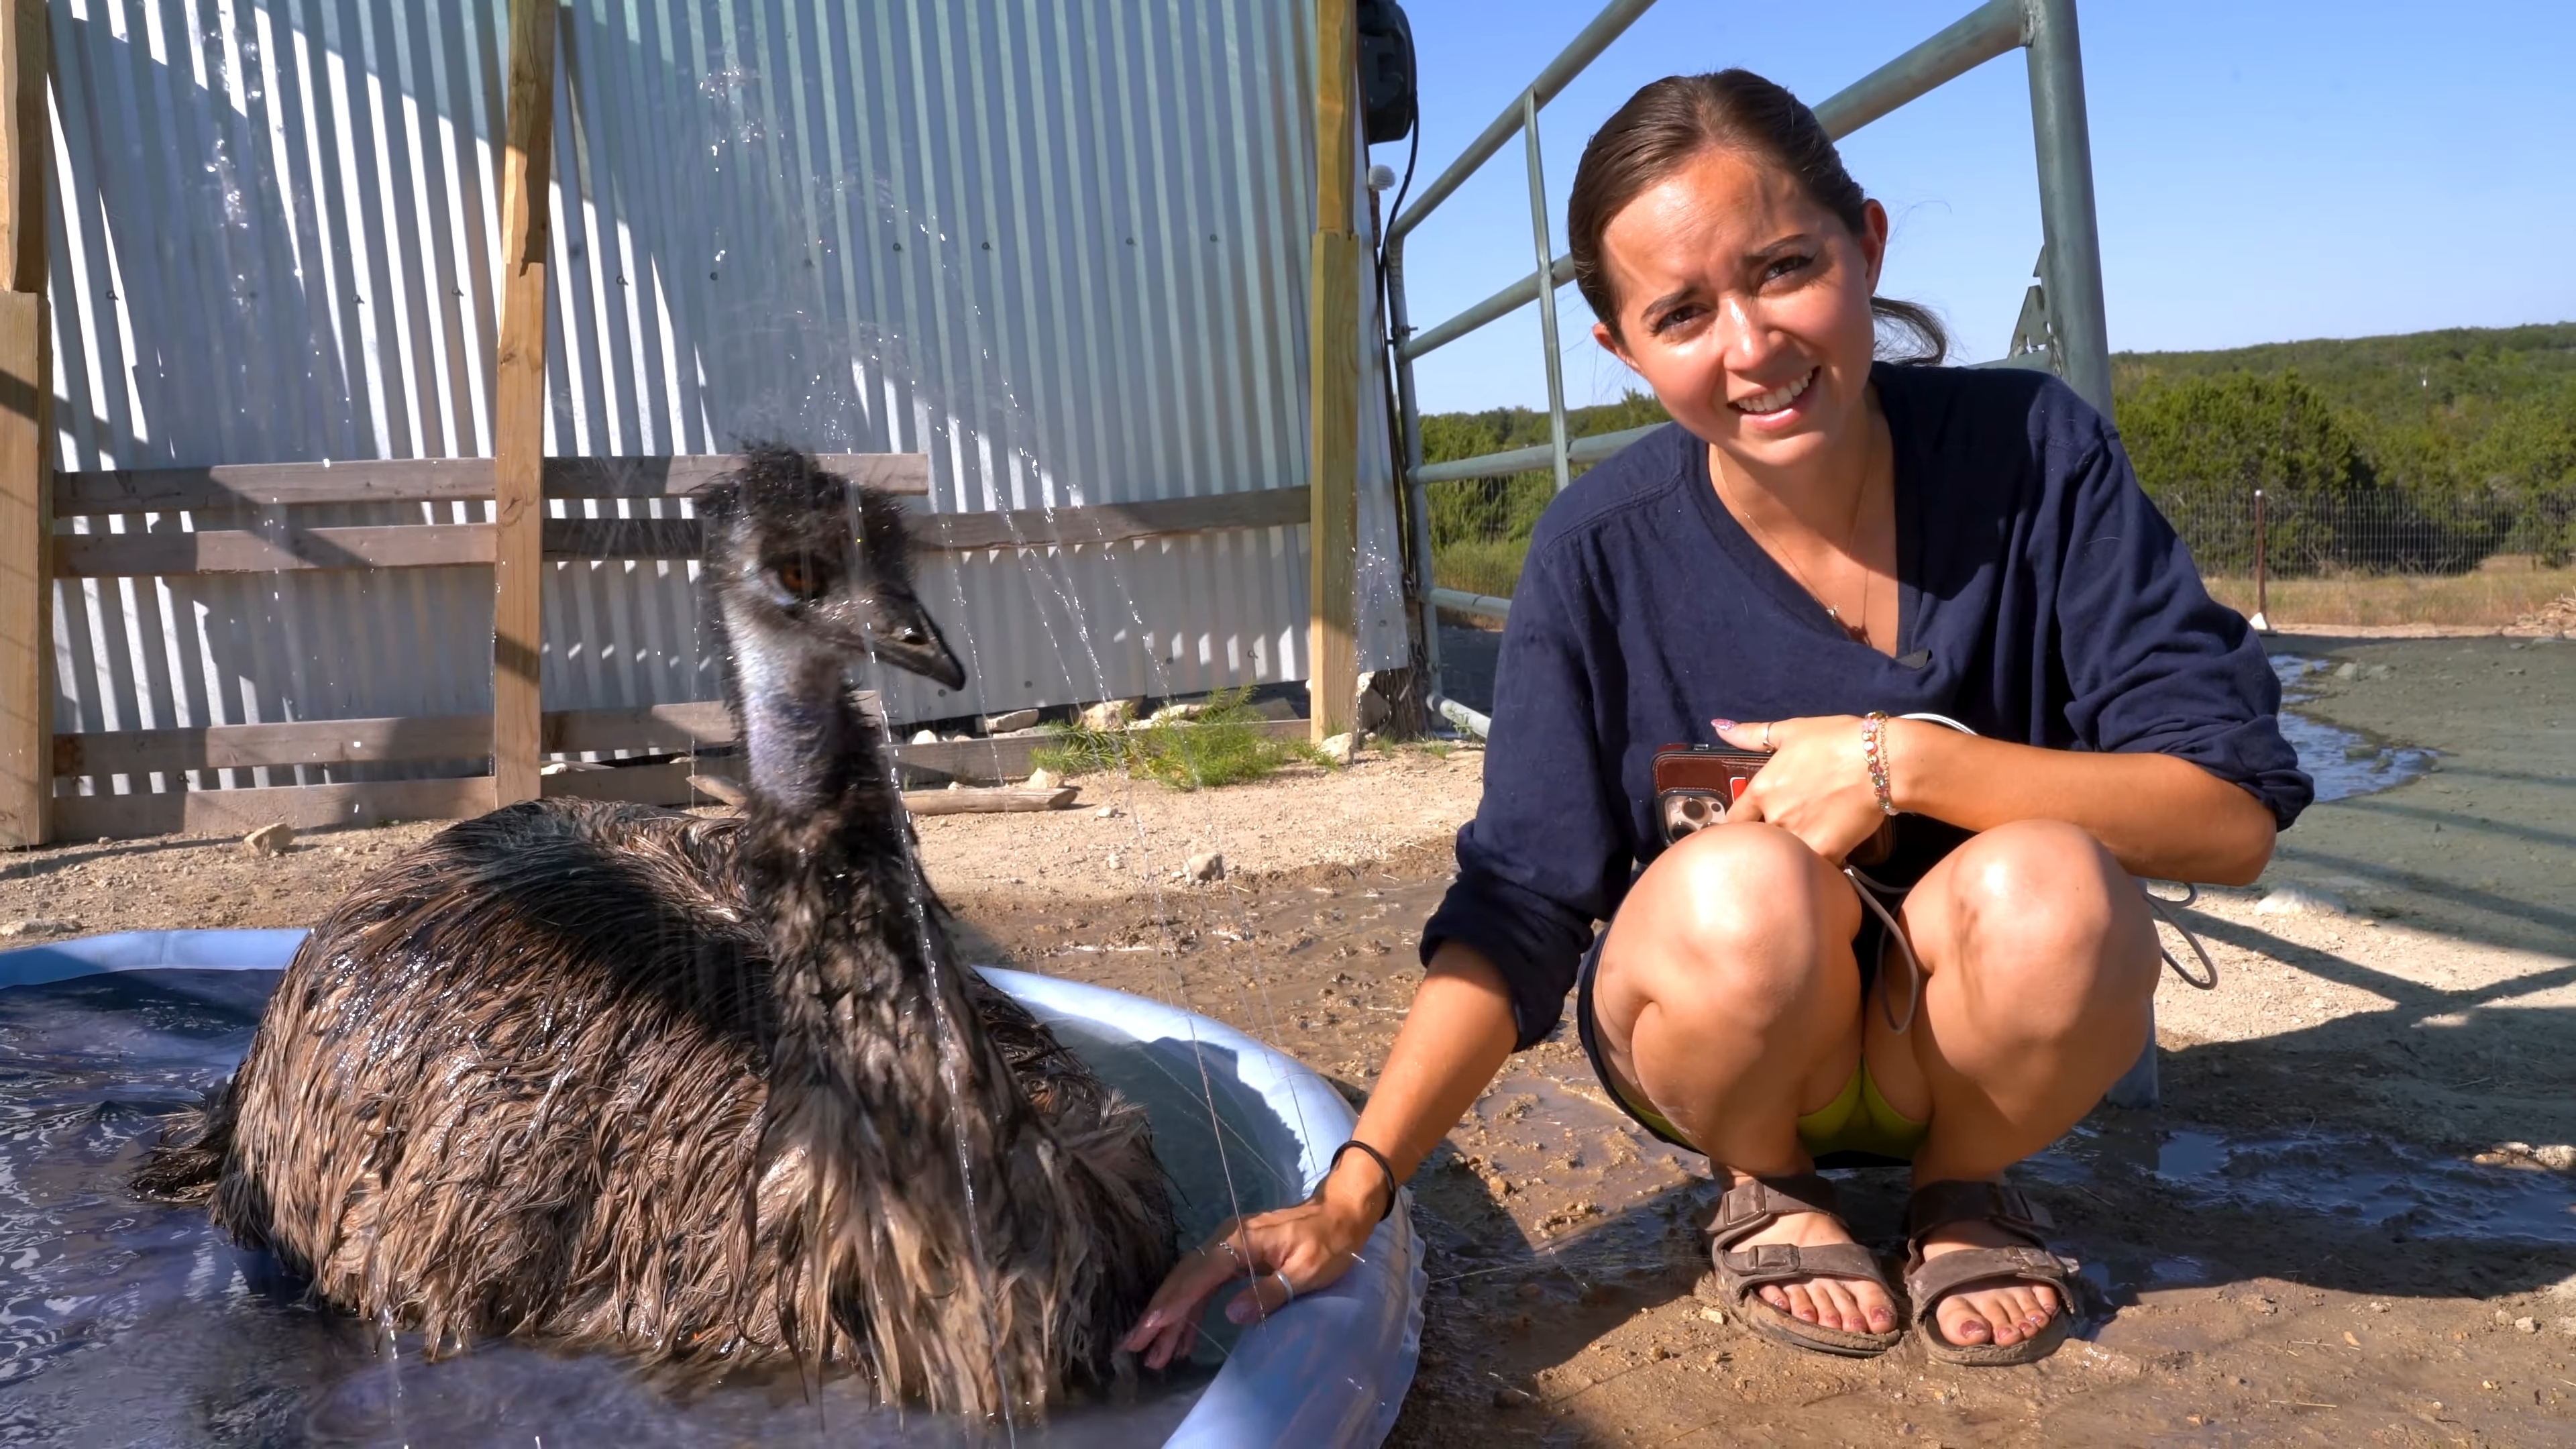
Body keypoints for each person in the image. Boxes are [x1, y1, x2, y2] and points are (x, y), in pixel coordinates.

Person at [1122, 68, 2308, 1368]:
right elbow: (1519, 908)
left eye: (1786, 267)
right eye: (1682, 313)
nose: (1751, 346)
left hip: (1974, 1052)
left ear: (1867, 243)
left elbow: (2229, 811)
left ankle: (1960, 1189)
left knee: (2060, 891)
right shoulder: (1596, 551)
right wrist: (1352, 1192)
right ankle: (1771, 1186)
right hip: (1729, 1050)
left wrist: (1903, 764)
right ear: (1622, 351)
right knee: (1737, 885)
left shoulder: (2036, 458)